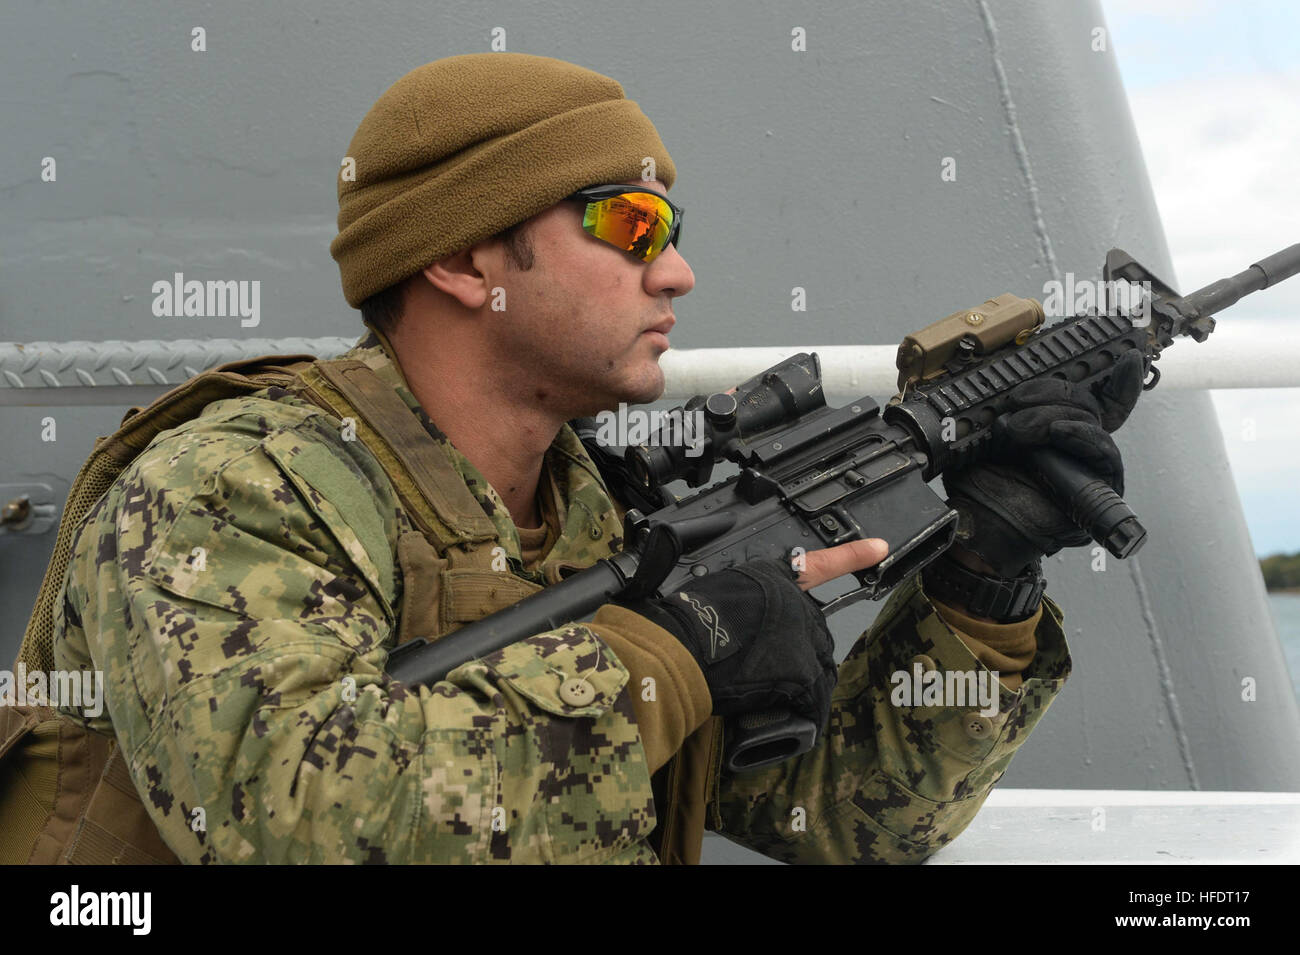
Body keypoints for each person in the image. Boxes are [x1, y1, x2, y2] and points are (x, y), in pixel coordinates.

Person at [19, 53, 1140, 864]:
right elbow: (293, 821)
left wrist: (985, 575)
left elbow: (840, 818)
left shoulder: (589, 516)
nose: (677, 273)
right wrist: (670, 652)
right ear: (464, 259)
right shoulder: (230, 488)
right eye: (632, 226)